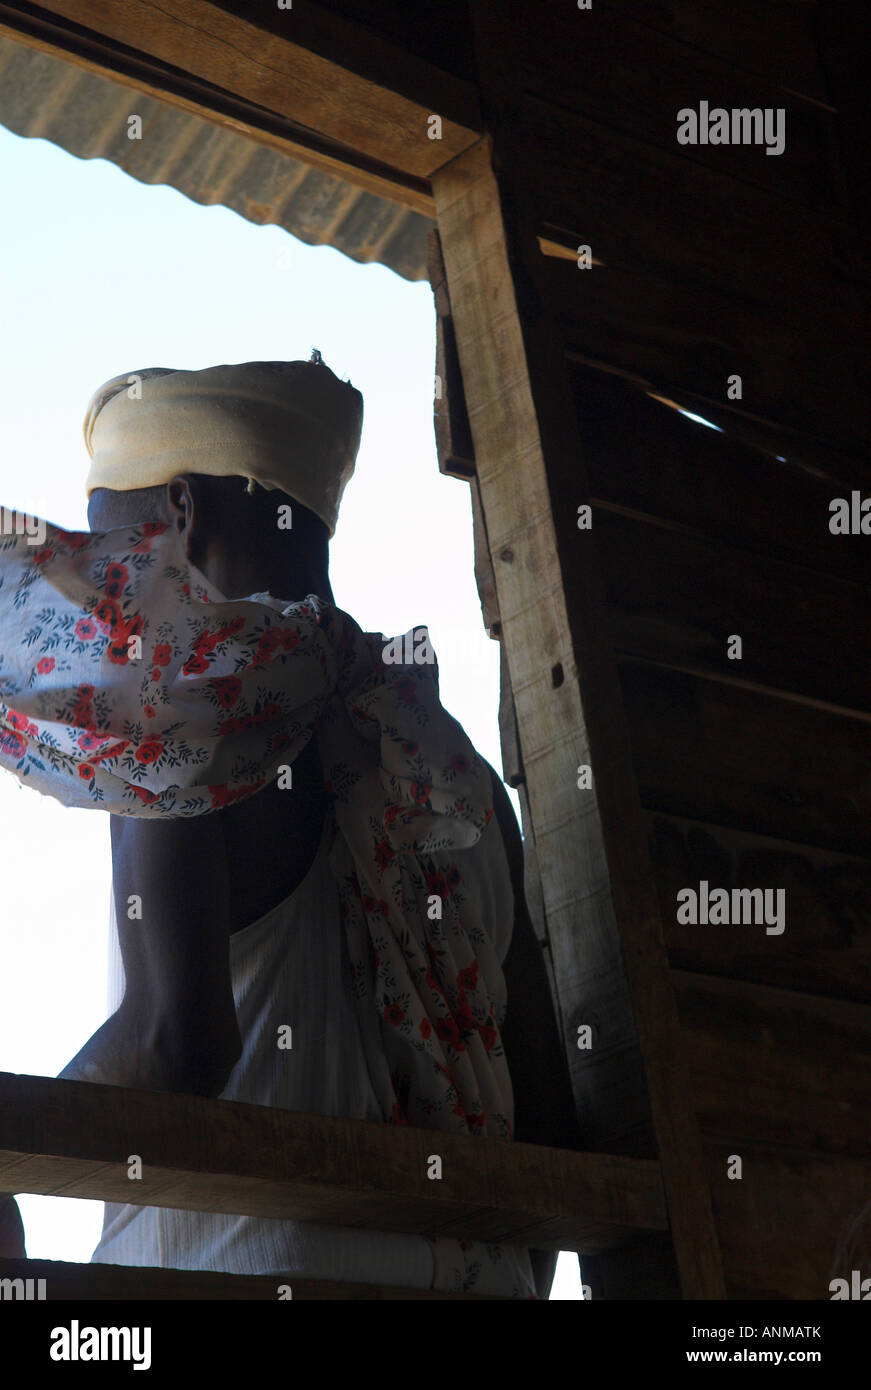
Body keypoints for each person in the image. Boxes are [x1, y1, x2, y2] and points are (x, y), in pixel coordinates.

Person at [0, 355, 578, 1297]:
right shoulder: (446, 761)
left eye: (112, 542)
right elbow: (545, 1115)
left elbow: (179, 1044)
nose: (104, 587)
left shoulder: (189, 712)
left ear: (181, 513)